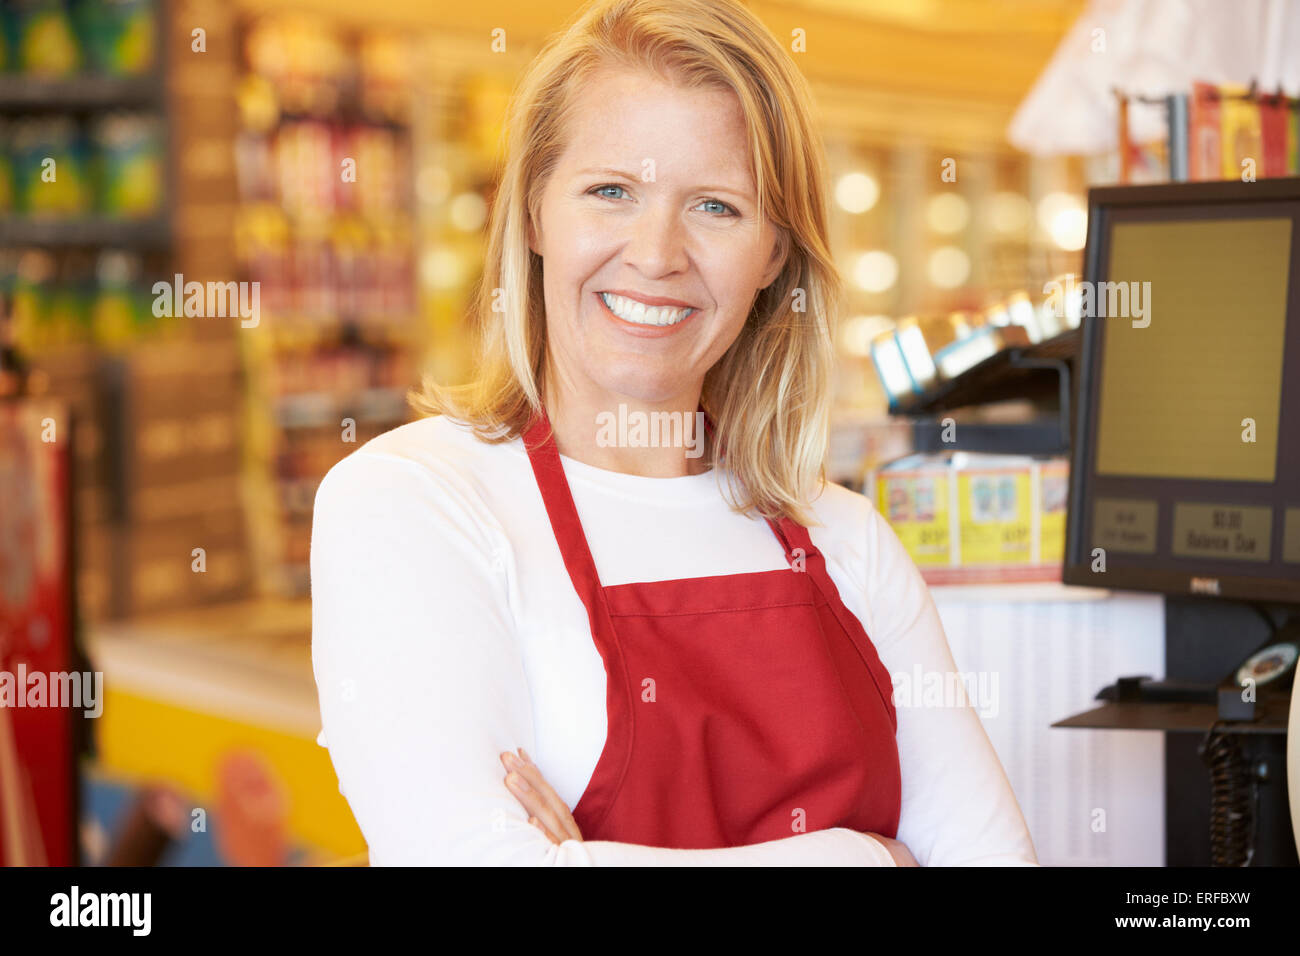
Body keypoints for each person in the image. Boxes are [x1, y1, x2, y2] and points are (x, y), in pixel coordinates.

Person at [310, 0, 1038, 866]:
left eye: (717, 207)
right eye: (611, 191)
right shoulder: (412, 501)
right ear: (535, 212)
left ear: (774, 254)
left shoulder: (846, 539)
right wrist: (874, 857)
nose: (656, 254)